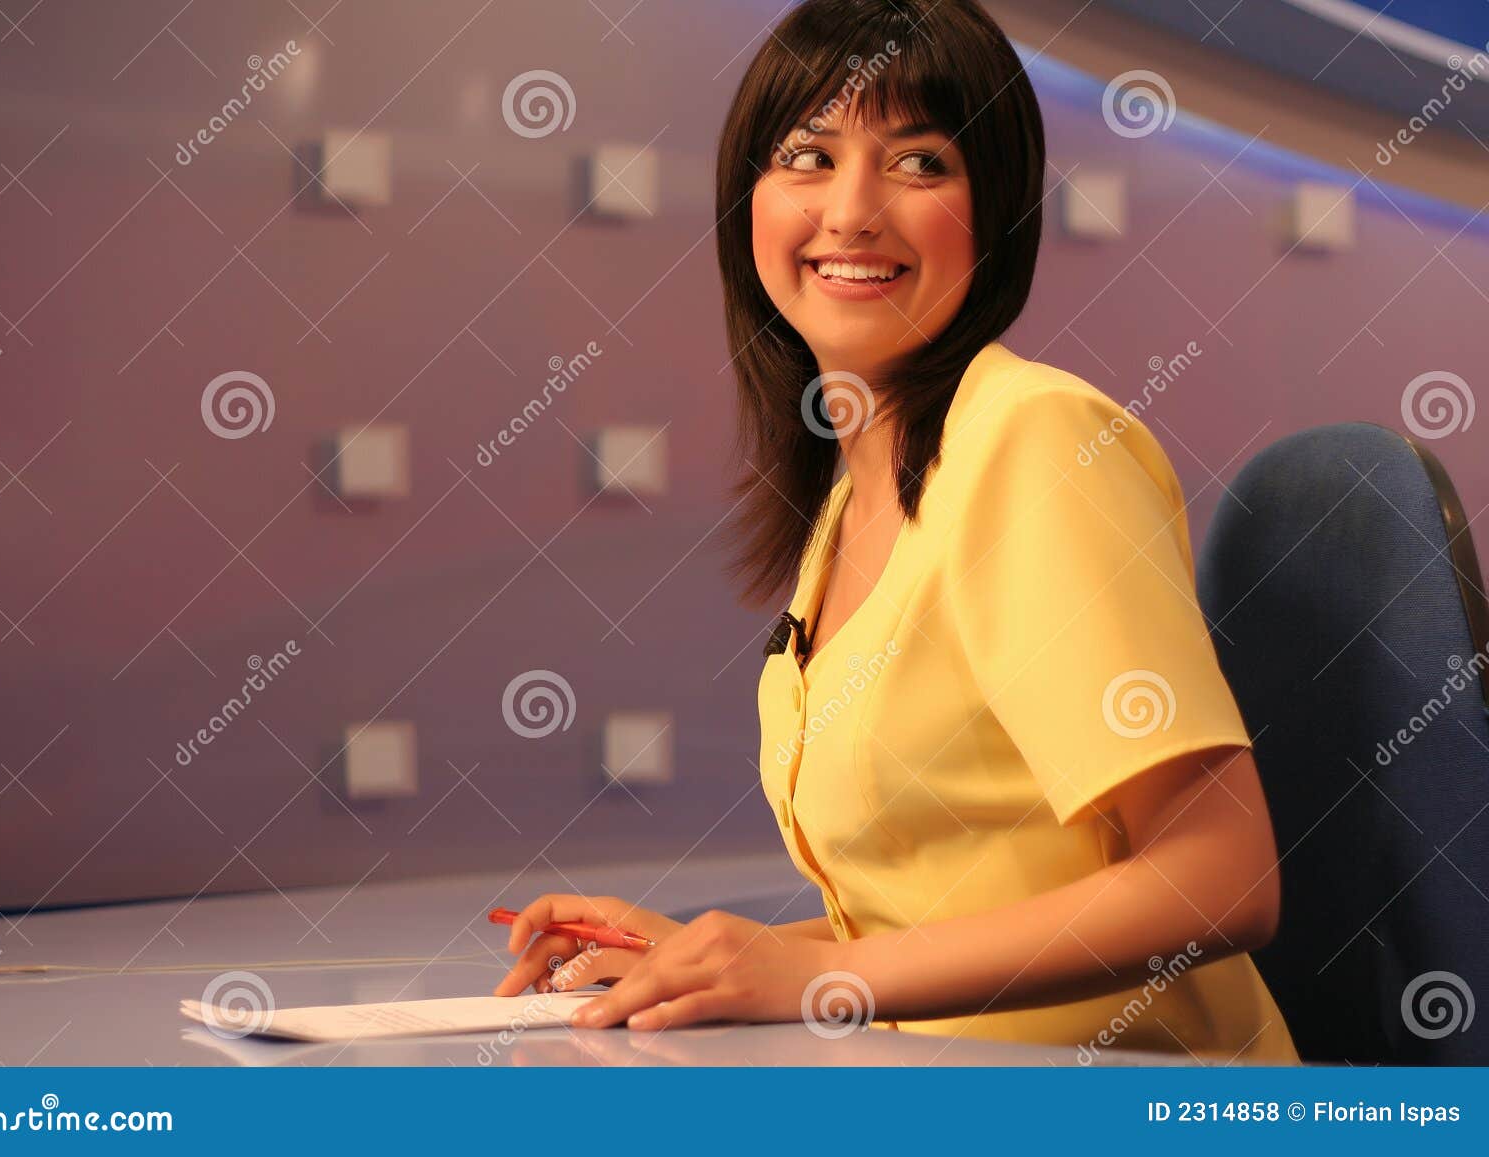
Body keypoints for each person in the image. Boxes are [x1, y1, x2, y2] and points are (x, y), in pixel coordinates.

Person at [493, 0, 1299, 1064]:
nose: (852, 211)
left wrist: (816, 975)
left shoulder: (1035, 440)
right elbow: (959, 900)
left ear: (996, 207)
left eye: (919, 163)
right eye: (808, 158)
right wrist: (714, 956)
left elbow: (1220, 875)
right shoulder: (849, 494)